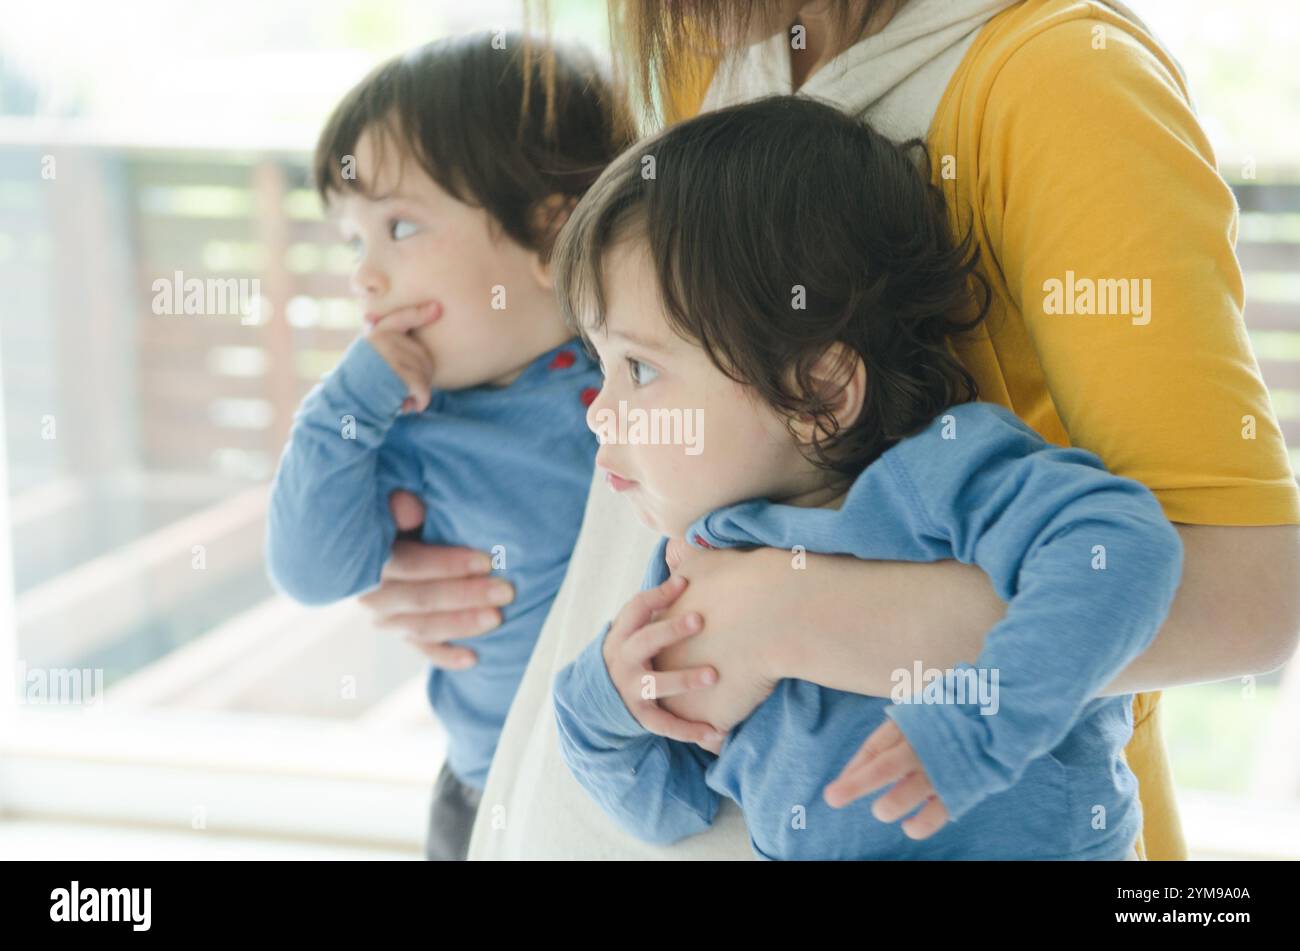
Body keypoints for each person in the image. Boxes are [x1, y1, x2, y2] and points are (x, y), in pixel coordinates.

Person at [360, 1, 1300, 861]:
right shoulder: (724, 67)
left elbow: (1246, 594)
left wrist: (781, 618)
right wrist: (453, 536)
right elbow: (663, 393)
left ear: (827, 386)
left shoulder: (1060, 83)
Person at [549, 94, 1174, 859]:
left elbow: (1123, 545)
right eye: (600, 365)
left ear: (818, 394)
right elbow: (667, 806)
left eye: (639, 367)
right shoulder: (696, 566)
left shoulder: (942, 470)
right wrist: (597, 704)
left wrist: (980, 724)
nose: (598, 411)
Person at [264, 30, 628, 859]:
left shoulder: (641, 370)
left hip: (643, 785)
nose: (364, 273)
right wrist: (341, 405)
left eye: (398, 227)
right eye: (354, 240)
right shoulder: (403, 425)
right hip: (492, 791)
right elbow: (310, 570)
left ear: (550, 237)